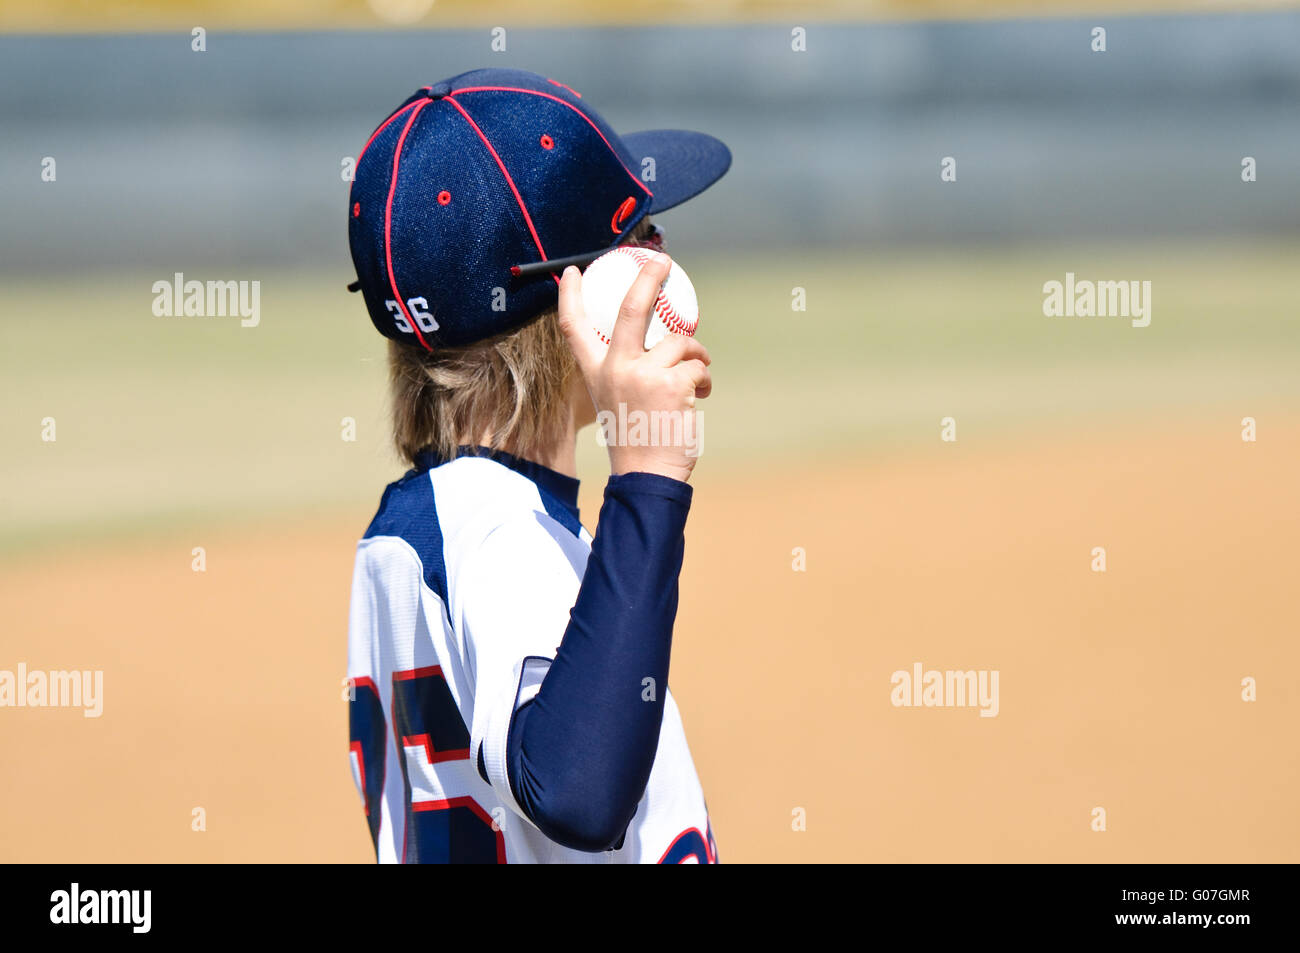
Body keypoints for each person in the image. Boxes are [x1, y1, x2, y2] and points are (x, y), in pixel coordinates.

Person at [344, 68, 730, 863]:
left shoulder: (431, 522)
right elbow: (578, 791)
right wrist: (649, 480)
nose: (660, 251)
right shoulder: (497, 532)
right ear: (584, 300)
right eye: (641, 238)